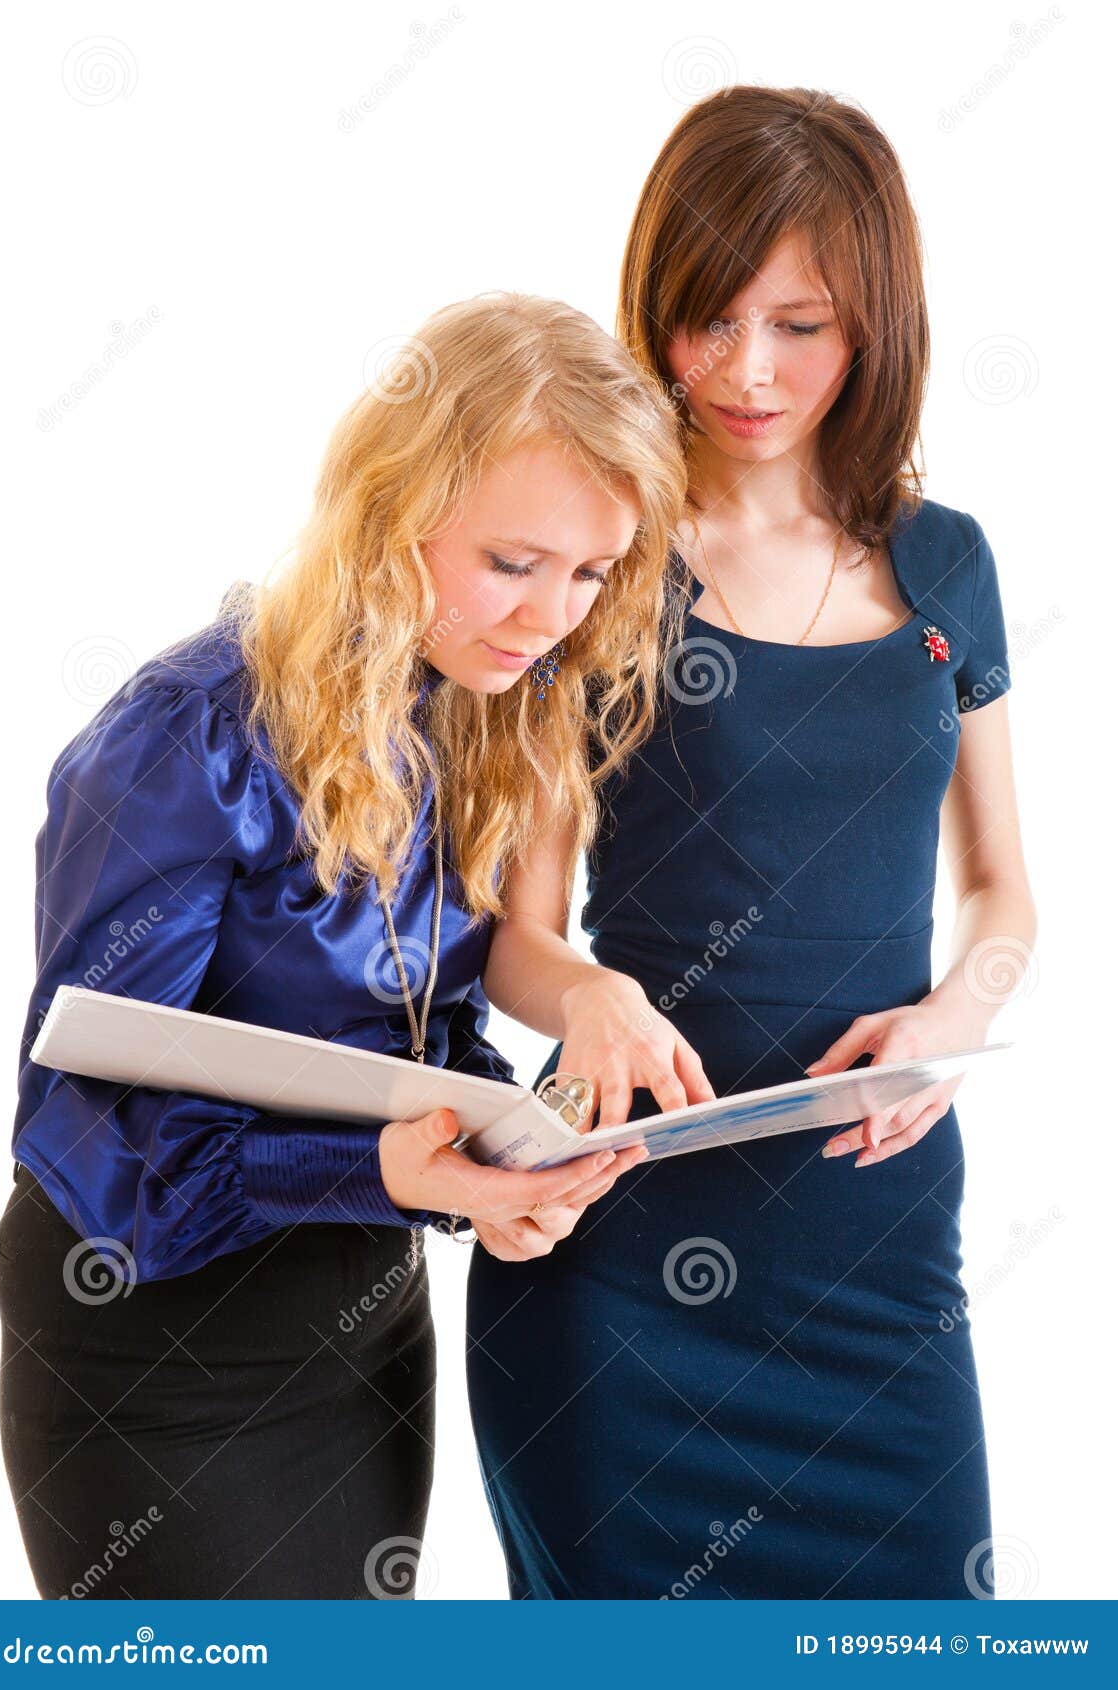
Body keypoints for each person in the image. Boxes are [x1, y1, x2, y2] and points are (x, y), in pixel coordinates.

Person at [0, 290, 688, 1598]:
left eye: (591, 572)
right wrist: (388, 1164)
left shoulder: (492, 709)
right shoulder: (187, 732)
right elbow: (88, 1119)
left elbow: (418, 1010)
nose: (550, 616)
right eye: (513, 560)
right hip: (153, 1340)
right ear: (389, 508)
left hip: (357, 1326)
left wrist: (503, 1146)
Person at [467, 89, 1037, 1599]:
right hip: (618, 1242)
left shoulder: (944, 562)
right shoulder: (601, 563)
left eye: (800, 324)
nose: (747, 371)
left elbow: (1000, 884)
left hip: (875, 1227)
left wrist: (953, 1012)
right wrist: (589, 997)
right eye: (708, 321)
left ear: (876, 324)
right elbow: (515, 933)